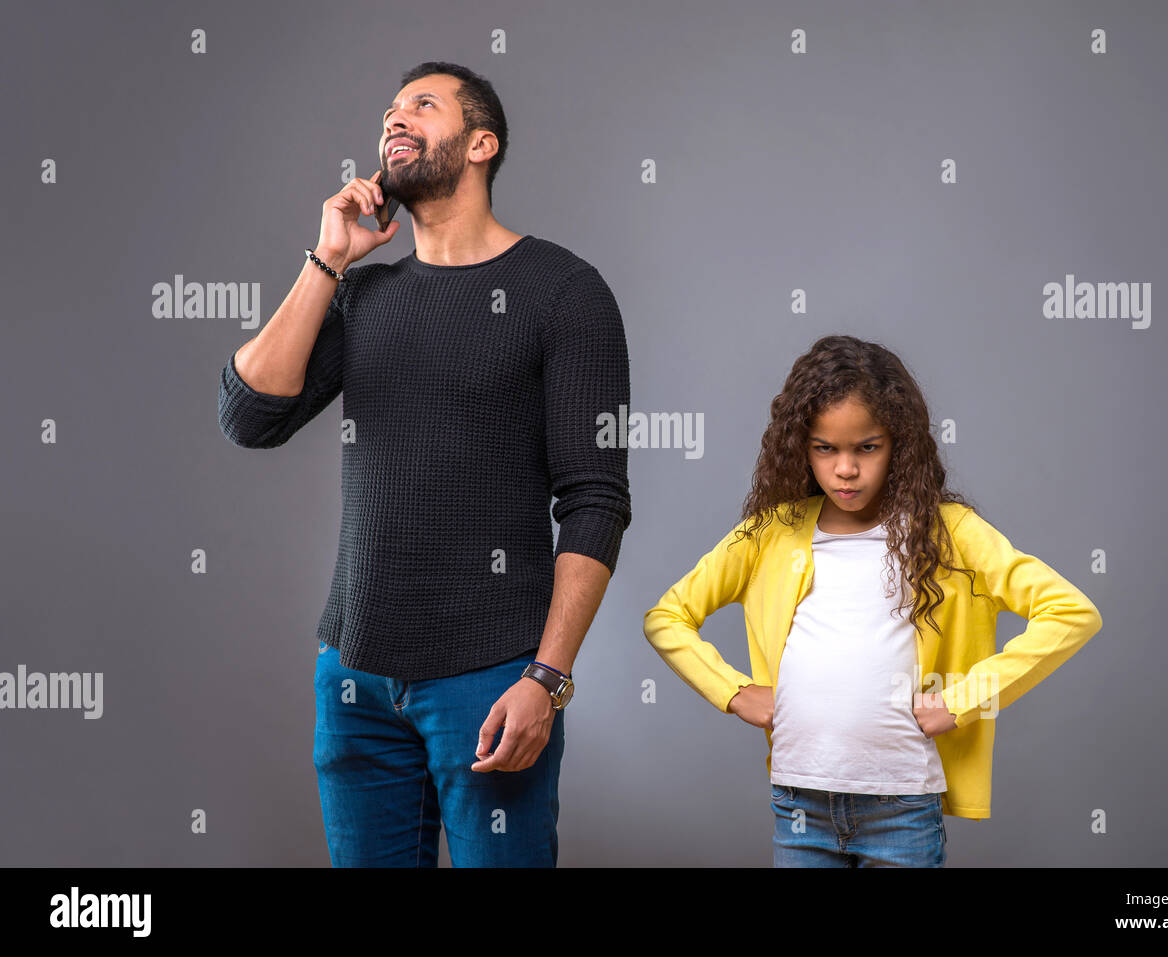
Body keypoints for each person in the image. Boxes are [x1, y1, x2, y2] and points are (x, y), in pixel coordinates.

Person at [217, 61, 631, 867]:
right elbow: (248, 416)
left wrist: (546, 678)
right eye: (389, 111)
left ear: (482, 144)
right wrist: (328, 259)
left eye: (422, 105)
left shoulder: (564, 292)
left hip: (494, 676)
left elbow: (595, 502)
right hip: (354, 679)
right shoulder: (362, 296)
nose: (395, 120)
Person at [643, 335, 1102, 867]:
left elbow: (1070, 613)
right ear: (800, 446)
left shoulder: (947, 532)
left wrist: (965, 699)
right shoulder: (773, 532)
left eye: (867, 447)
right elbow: (667, 617)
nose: (845, 468)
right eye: (825, 448)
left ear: (899, 445)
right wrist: (734, 691)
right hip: (799, 803)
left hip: (901, 808)